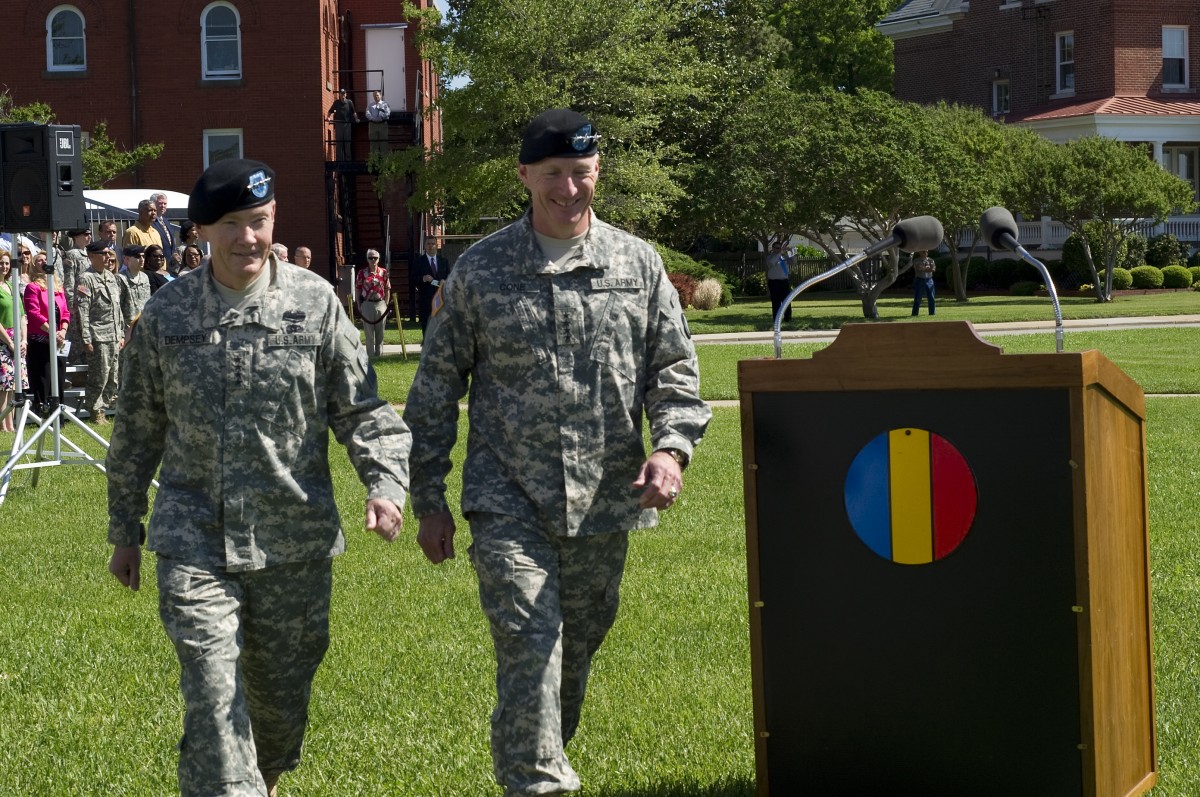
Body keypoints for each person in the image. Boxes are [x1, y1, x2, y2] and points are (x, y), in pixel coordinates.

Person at [402, 108, 711, 797]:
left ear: (598, 171)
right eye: (552, 174)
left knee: (571, 658)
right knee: (531, 649)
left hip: (605, 503)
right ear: (524, 175)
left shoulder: (636, 264)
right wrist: (429, 499)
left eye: (580, 172)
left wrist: (671, 450)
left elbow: (673, 371)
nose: (568, 188)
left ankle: (539, 757)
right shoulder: (481, 271)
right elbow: (433, 393)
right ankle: (538, 783)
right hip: (508, 501)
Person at [105, 158, 411, 797]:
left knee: (278, 707)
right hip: (194, 541)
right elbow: (136, 429)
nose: (249, 238)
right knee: (214, 694)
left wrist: (384, 485)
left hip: (292, 543)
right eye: (233, 225)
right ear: (202, 231)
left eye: (261, 221)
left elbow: (360, 410)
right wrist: (125, 527)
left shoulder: (314, 302)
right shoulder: (168, 315)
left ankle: (262, 778)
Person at [76, 240, 125, 424]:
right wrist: (86, 338)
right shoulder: (86, 278)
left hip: (114, 335)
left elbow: (117, 308)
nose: (108, 257)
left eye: (108, 253)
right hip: (98, 335)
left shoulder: (111, 277)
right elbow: (82, 310)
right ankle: (95, 410)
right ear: (91, 256)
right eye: (103, 254)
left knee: (113, 376)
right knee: (100, 375)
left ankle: (104, 408)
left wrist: (121, 333)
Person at [21, 251, 70, 415]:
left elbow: (66, 313)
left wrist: (62, 331)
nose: (43, 262)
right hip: (40, 341)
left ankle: (59, 417)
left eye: (46, 259)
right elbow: (33, 314)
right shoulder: (32, 287)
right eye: (39, 260)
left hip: (59, 341)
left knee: (59, 379)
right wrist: (52, 331)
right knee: (43, 380)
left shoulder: (58, 288)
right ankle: (43, 414)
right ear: (34, 266)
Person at [1, 251, 29, 432]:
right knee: (3, 386)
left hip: (17, 340)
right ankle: (2, 426)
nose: (4, 267)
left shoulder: (11, 286)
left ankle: (10, 425)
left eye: (6, 263)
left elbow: (22, 316)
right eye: (0, 263)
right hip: (3, 341)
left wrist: (24, 340)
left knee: (13, 385)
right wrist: (9, 343)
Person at [355, 248, 390, 358]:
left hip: (381, 304)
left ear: (378, 259)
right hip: (367, 304)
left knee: (380, 332)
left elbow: (387, 288)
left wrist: (386, 304)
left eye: (375, 258)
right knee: (369, 333)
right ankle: (370, 356)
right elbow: (358, 289)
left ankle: (379, 355)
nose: (373, 260)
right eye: (370, 258)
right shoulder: (362, 273)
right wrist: (359, 305)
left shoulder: (384, 272)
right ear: (367, 259)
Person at [414, 237, 448, 333]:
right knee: (427, 330)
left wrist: (445, 281)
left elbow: (449, 278)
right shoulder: (418, 262)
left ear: (437, 245)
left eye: (433, 244)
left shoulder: (444, 261)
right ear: (425, 246)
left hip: (441, 301)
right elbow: (413, 279)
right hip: (426, 302)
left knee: (442, 330)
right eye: (428, 244)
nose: (431, 246)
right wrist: (423, 279)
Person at [118, 243, 152, 334]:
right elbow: (117, 307)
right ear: (127, 259)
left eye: (143, 256)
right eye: (137, 256)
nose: (142, 259)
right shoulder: (120, 278)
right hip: (127, 329)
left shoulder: (145, 277)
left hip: (144, 327)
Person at [326, 88, 358, 161]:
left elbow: (354, 112)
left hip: (347, 125)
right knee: (339, 142)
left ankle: (348, 161)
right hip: (339, 124)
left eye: (344, 94)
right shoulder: (336, 103)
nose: (342, 95)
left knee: (347, 142)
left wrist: (356, 119)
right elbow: (330, 111)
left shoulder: (349, 102)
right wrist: (328, 117)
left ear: (346, 94)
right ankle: (339, 161)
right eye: (341, 94)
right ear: (339, 95)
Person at [765, 241, 792, 323]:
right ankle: (776, 319)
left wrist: (792, 252)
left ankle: (788, 318)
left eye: (780, 248)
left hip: (784, 281)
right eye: (777, 248)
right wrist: (780, 252)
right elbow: (771, 263)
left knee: (787, 300)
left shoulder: (784, 256)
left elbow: (793, 261)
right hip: (774, 282)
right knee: (776, 302)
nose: (779, 250)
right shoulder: (770, 257)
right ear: (773, 249)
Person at [150, 192, 176, 264]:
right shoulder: (150, 222)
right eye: (160, 203)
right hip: (158, 262)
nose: (163, 206)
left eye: (165, 204)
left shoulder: (166, 221)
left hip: (170, 263)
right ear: (153, 204)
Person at [365, 90, 391, 157]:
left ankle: (384, 160)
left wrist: (381, 117)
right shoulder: (370, 105)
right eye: (374, 96)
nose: (376, 97)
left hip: (382, 124)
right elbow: (367, 113)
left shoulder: (385, 104)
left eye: (377, 95)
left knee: (384, 143)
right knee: (373, 143)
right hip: (373, 125)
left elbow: (388, 113)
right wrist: (373, 118)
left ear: (380, 96)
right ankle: (374, 160)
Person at [912, 250, 936, 316]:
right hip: (919, 280)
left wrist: (924, 268)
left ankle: (932, 313)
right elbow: (919, 268)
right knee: (917, 298)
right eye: (924, 252)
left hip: (929, 280)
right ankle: (915, 314)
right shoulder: (916, 260)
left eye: (927, 252)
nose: (925, 253)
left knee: (931, 297)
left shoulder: (931, 260)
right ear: (919, 252)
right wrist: (928, 268)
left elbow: (933, 269)